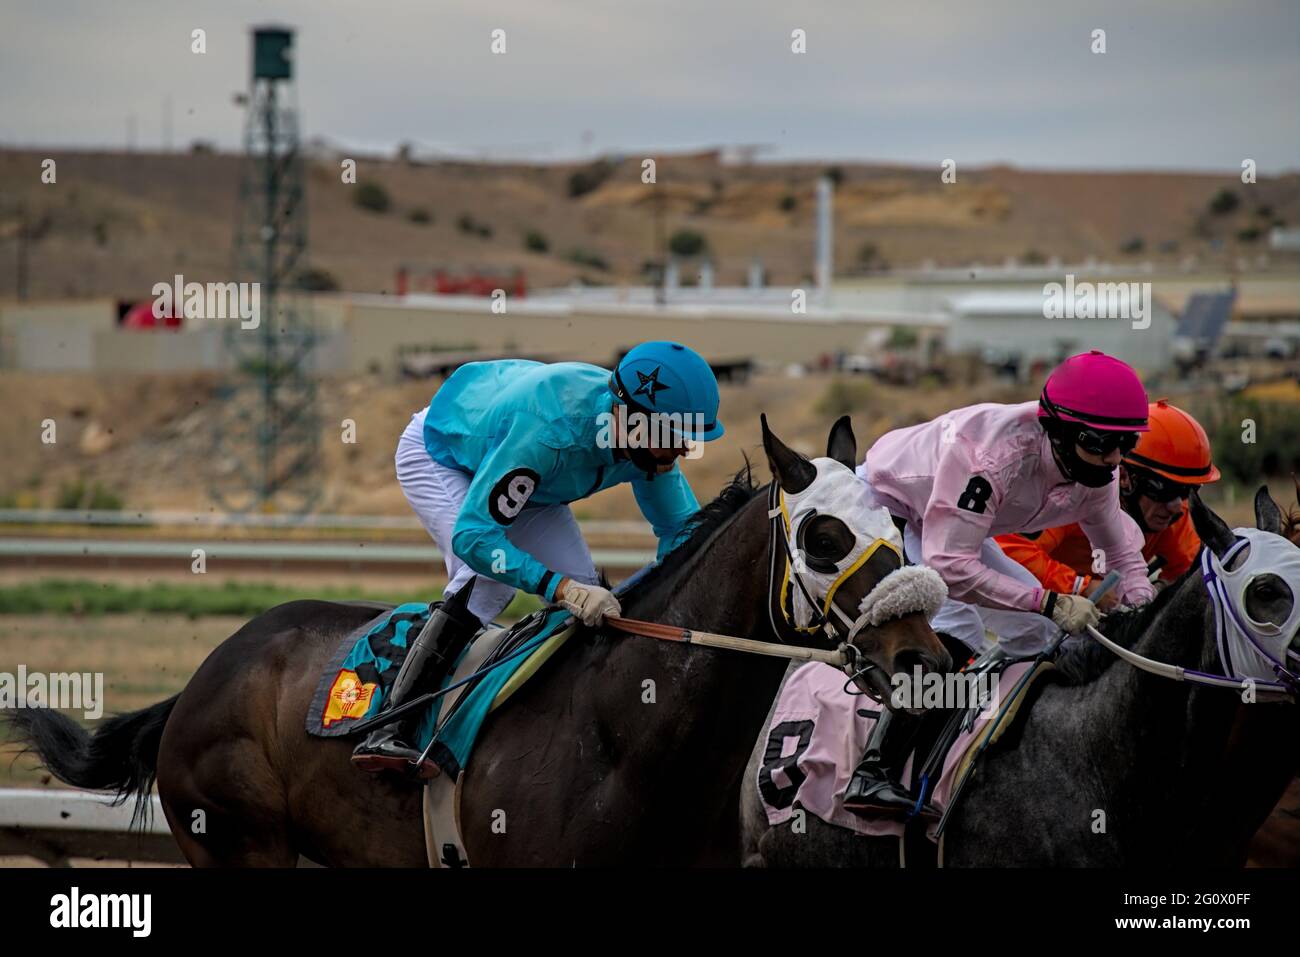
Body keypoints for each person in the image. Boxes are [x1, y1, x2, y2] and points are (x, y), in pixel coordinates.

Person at [352, 341, 725, 776]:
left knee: (591, 599)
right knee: (488, 582)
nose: (685, 450)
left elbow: (682, 534)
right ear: (637, 422)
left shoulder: (642, 443)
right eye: (678, 436)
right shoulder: (552, 432)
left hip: (529, 470)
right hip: (445, 454)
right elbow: (474, 536)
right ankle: (389, 726)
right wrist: (559, 588)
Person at [843, 350, 1156, 815]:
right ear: (1060, 431)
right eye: (1100, 442)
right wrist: (1050, 601)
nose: (1113, 459)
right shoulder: (992, 458)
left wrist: (1143, 612)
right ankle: (875, 771)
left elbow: (1124, 556)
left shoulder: (1097, 471)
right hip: (887, 507)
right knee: (960, 630)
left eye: (1126, 443)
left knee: (1040, 635)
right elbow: (950, 568)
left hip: (948, 524)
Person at [996, 400, 1219, 603]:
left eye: (1186, 491)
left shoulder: (1175, 514)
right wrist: (1080, 587)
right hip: (1028, 604)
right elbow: (1009, 549)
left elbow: (1188, 574)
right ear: (1124, 477)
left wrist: (1160, 590)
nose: (1175, 505)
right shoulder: (1072, 497)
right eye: (1165, 489)